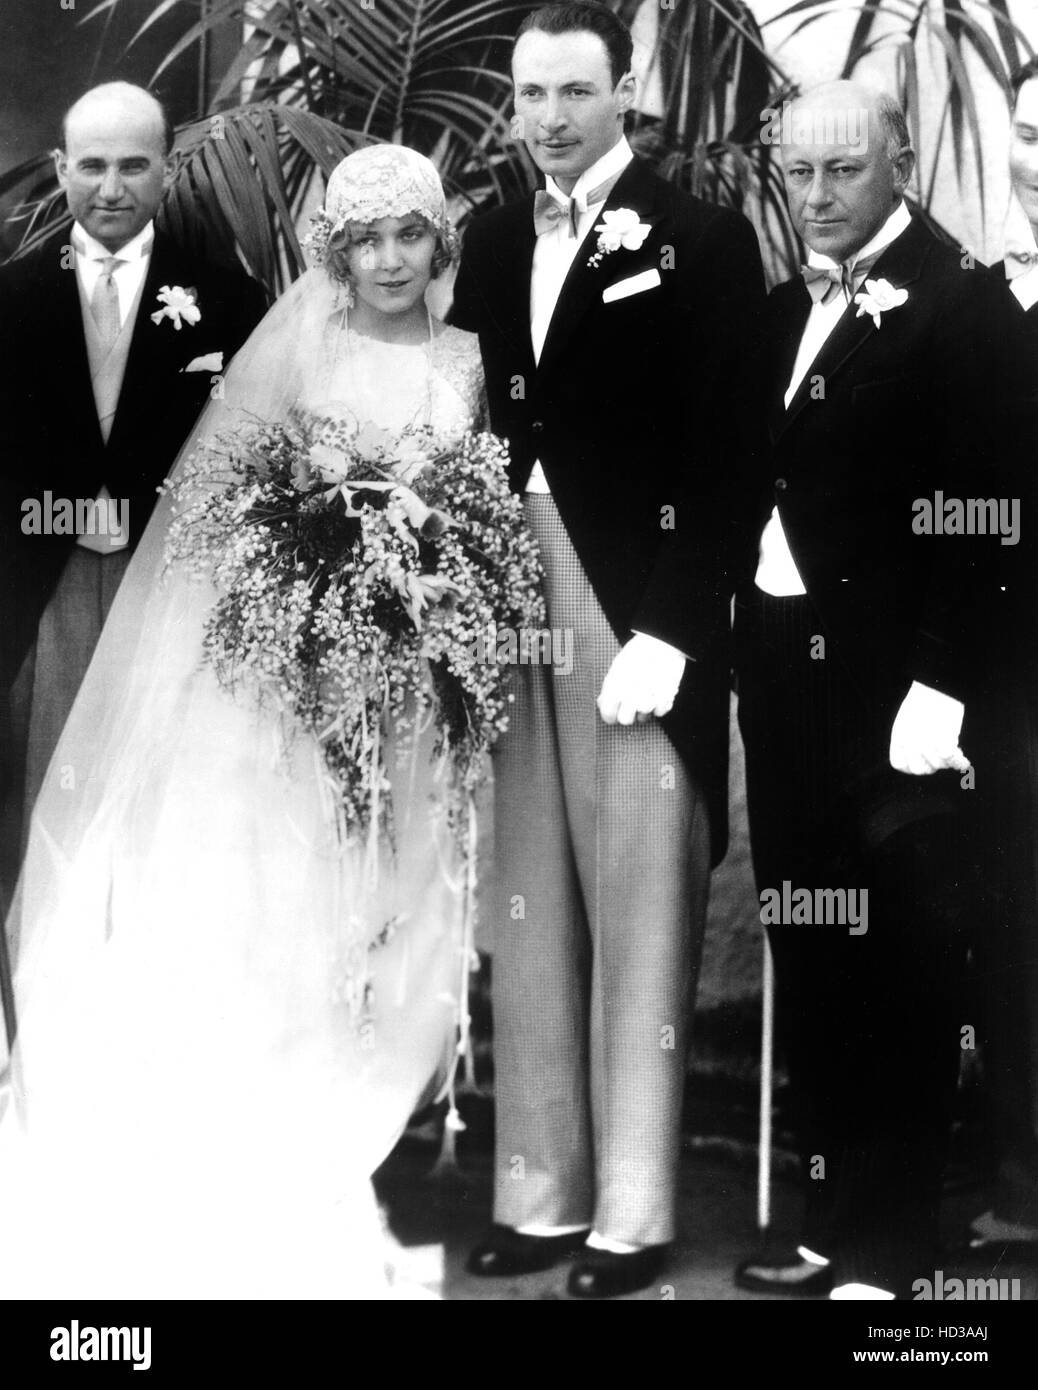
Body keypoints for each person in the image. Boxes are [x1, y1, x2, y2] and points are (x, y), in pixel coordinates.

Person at [0, 144, 486, 1298]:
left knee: (404, 888)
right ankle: (279, 1108)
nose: (385, 260)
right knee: (289, 885)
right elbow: (226, 508)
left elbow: (478, 509)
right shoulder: (297, 347)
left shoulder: (472, 360)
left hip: (414, 670)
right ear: (335, 251)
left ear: (437, 242)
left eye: (407, 235)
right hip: (293, 670)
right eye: (362, 239)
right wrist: (313, 603)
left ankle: (385, 1108)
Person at [451, 1, 765, 1298]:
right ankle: (538, 1191)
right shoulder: (485, 234)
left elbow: (733, 449)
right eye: (530, 95)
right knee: (526, 896)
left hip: (634, 605)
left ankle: (630, 1213)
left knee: (637, 903)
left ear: (624, 90)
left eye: (575, 92)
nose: (550, 119)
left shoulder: (696, 238)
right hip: (510, 583)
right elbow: (468, 413)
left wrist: (679, 628)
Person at [733, 81, 1030, 1299]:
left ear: (899, 162)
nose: (815, 196)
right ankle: (828, 1209)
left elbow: (998, 516)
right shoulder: (779, 303)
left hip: (893, 695)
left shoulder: (967, 312)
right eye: (797, 173)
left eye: (843, 172)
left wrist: (941, 685)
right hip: (786, 677)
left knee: (900, 962)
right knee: (810, 944)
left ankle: (890, 1243)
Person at [0, 82, 266, 922]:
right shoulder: (9, 296)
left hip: (173, 590)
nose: (110, 188)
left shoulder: (230, 300)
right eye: (91, 167)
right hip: (45, 593)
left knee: (164, 815)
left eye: (133, 166)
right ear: (58, 169)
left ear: (168, 167)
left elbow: (250, 460)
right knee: (45, 811)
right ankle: (31, 1031)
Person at [963, 56, 1038, 1255]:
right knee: (1012, 914)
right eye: (1028, 129)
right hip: (994, 670)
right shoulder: (973, 298)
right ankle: (1025, 1180)